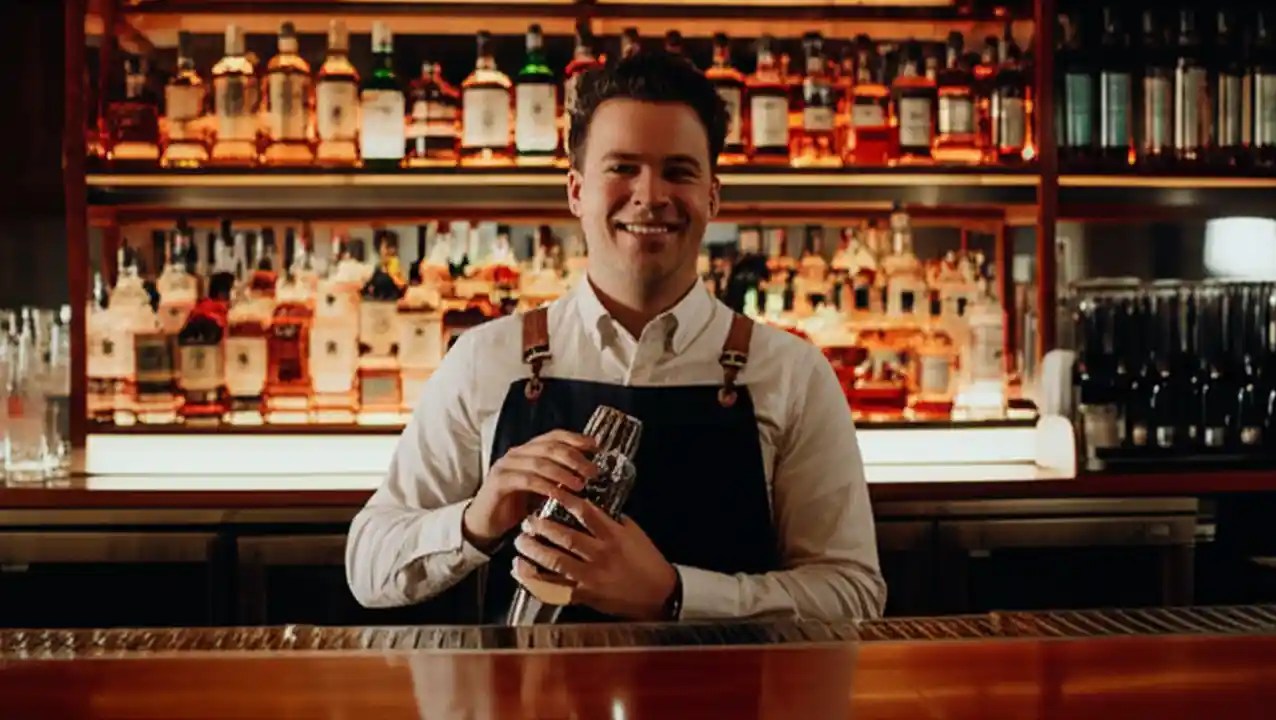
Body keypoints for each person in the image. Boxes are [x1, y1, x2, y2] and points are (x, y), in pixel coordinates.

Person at [346, 51, 886, 623]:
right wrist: (476, 521)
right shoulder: (487, 358)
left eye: (678, 171)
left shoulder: (791, 373)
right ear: (576, 191)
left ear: (713, 196)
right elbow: (367, 565)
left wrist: (675, 596)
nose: (650, 194)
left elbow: (853, 595)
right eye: (622, 167)